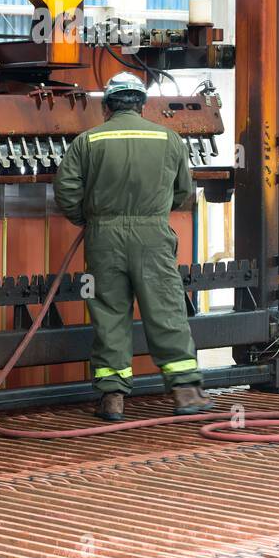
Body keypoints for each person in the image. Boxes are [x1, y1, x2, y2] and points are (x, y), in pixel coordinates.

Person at [54, 71, 213, 421]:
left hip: (103, 238)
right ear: (141, 105)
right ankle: (187, 393)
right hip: (152, 235)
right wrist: (152, 212)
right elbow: (184, 192)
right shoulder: (169, 139)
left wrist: (90, 218)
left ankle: (112, 399)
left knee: (109, 313)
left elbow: (65, 190)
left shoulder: (88, 141)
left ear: (107, 107)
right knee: (166, 310)